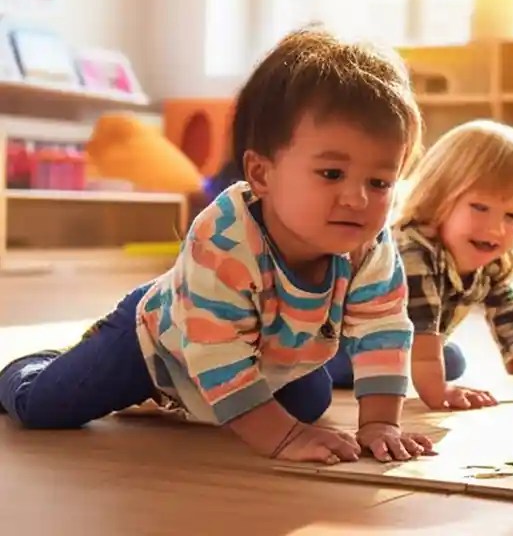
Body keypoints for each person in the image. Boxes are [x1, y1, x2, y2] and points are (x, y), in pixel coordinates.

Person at [0, 27, 435, 465]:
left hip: (265, 354)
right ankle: (29, 367)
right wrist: (283, 439)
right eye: (331, 174)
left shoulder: (368, 246)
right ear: (262, 175)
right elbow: (216, 352)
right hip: (156, 342)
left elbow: (383, 331)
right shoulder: (226, 237)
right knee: (45, 407)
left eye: (379, 182)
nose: (357, 199)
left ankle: (205, 398)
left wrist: (381, 423)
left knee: (309, 400)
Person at [326, 119, 513, 410]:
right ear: (439, 197)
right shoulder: (412, 253)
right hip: (341, 346)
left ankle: (388, 371)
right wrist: (439, 392)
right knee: (428, 357)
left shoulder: (490, 263)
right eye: (480, 207)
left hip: (400, 346)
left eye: (512, 216)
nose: (496, 229)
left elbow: (511, 316)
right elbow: (421, 328)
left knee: (450, 359)